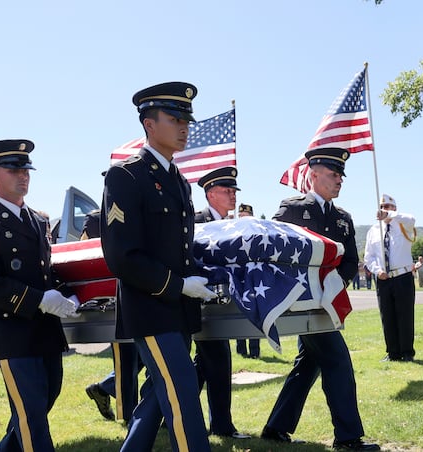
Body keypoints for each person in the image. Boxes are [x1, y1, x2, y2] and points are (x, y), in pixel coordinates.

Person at [101, 81, 215, 451]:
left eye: (187, 119)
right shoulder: (126, 176)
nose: (185, 127)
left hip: (178, 310)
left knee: (154, 398)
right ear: (149, 124)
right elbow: (121, 256)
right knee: (181, 392)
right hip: (150, 307)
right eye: (175, 118)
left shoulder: (180, 181)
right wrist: (179, 286)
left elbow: (179, 249)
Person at [0, 139, 78, 450]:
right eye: (13, 169)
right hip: (12, 330)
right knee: (31, 415)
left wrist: (68, 295)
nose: (22, 175)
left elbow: (45, 270)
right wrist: (39, 299)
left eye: (25, 169)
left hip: (45, 329)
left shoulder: (38, 219)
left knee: (46, 397)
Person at [261, 147, 379, 451]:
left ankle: (275, 428)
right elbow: (273, 250)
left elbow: (351, 260)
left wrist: (338, 280)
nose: (340, 180)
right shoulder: (292, 209)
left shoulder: (343, 218)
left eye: (341, 175)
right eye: (334, 174)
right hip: (300, 301)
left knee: (309, 362)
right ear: (313, 175)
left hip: (327, 302)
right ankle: (348, 437)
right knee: (337, 360)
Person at [188, 167, 251, 439]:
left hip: (220, 303)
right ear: (211, 194)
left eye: (234, 191)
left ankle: (163, 412)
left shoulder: (232, 224)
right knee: (218, 360)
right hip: (199, 302)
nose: (233, 196)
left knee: (204, 365)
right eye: (227, 191)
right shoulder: (196, 220)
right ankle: (222, 426)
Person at [81, 208, 144, 424]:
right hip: (111, 296)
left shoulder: (139, 208)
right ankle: (127, 415)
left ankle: (104, 388)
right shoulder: (97, 217)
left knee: (142, 356)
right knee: (126, 359)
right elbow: (88, 250)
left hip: (137, 291)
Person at [364, 194, 417, 363]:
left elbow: (412, 219)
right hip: (383, 278)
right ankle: (392, 352)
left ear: (394, 209)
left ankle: (407, 351)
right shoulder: (373, 231)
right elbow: (369, 257)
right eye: (382, 207)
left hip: (402, 275)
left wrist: (389, 217)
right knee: (387, 316)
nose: (385, 209)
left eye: (388, 206)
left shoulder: (403, 224)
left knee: (405, 315)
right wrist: (377, 270)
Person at [234, 203, 262, 358]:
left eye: (247, 216)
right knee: (239, 313)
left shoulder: (256, 233)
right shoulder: (232, 231)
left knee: (254, 314)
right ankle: (241, 350)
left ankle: (255, 351)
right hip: (239, 279)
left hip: (254, 280)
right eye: (242, 216)